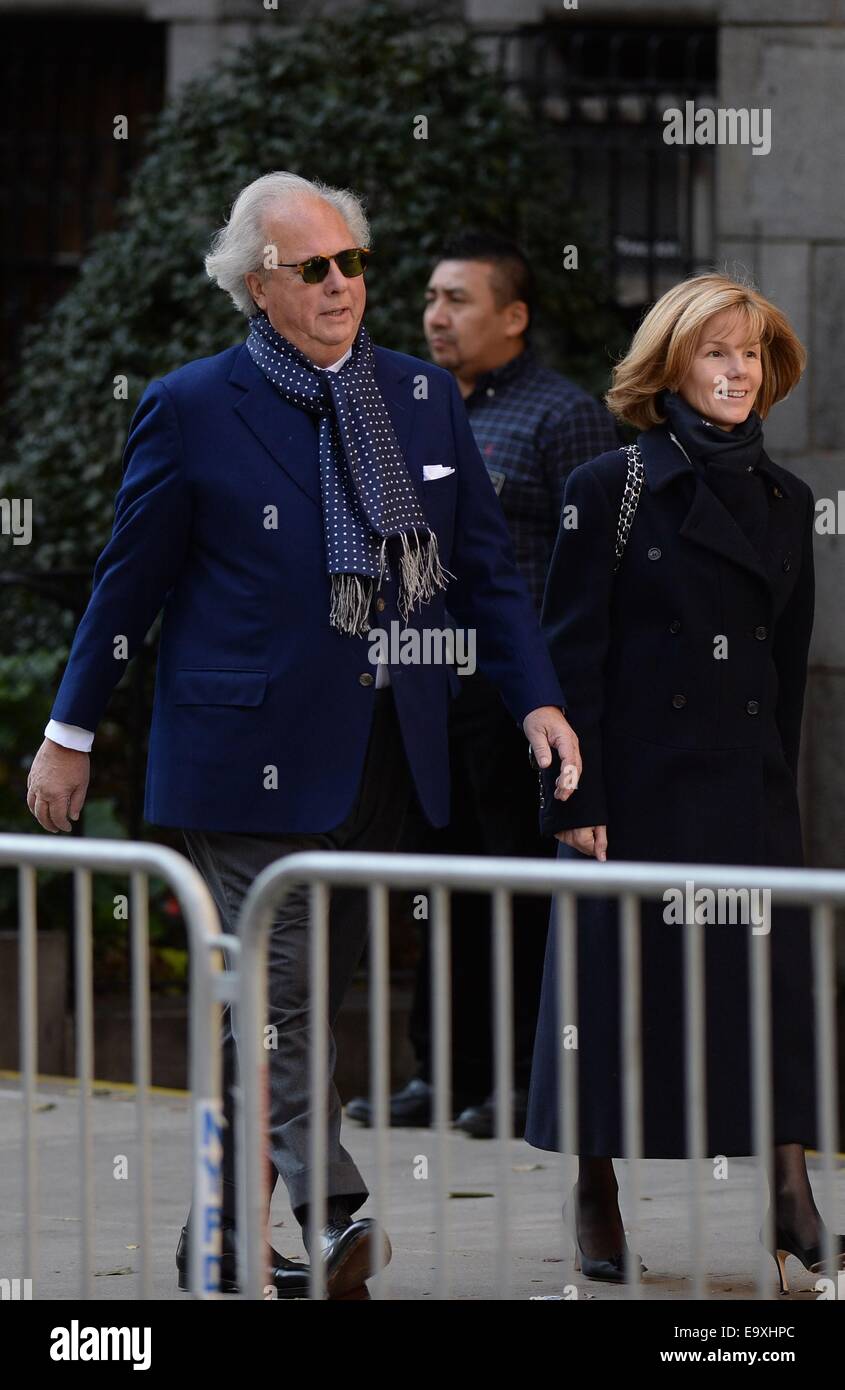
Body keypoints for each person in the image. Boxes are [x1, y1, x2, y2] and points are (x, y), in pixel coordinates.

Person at [25, 171, 580, 1299]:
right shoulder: (191, 404)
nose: (340, 285)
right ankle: (331, 1217)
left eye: (351, 262)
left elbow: (482, 575)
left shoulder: (420, 398)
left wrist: (535, 697)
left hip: (391, 747)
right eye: (311, 268)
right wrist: (68, 728)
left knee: (291, 1006)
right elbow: (128, 587)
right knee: (280, 998)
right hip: (240, 757)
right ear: (255, 285)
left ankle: (221, 1238)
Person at [525, 271, 845, 1291]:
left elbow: (781, 669)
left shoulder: (789, 502)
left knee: (772, 993)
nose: (735, 370)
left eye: (748, 352)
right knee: (611, 994)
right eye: (714, 351)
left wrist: (774, 794)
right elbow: (565, 661)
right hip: (634, 790)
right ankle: (593, 1181)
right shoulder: (607, 488)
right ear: (669, 367)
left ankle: (791, 1196)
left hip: (743, 790)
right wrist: (575, 799)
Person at [346, 232, 619, 1136]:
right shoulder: (412, 408)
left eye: (457, 299)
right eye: (428, 296)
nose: (434, 314)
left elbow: (596, 569)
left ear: (514, 315)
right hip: (423, 690)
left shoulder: (561, 414)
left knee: (518, 888)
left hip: (517, 699)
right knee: (440, 882)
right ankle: (441, 1073)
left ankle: (520, 1083)